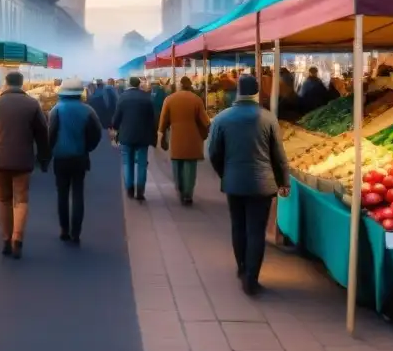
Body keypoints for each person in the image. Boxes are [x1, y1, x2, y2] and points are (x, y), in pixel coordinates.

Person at [208, 75, 289, 296]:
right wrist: (284, 181)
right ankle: (252, 278)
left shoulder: (222, 118)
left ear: (237, 92)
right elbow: (278, 155)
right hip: (262, 184)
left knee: (238, 225)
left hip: (234, 182)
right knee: (256, 230)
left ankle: (242, 267)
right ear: (256, 93)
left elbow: (214, 152)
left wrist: (224, 173)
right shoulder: (268, 118)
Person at [0, 71, 51, 259]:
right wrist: (44, 158)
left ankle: (6, 239)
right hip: (22, 159)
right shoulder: (33, 104)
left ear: (6, 83)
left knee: (3, 200)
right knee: (21, 199)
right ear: (22, 84)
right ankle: (18, 237)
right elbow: (42, 134)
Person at [48, 78, 102, 244]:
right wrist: (87, 148)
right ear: (80, 93)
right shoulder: (88, 111)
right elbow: (97, 133)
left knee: (62, 195)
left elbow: (50, 134)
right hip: (80, 158)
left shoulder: (56, 110)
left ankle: (64, 229)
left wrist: (49, 152)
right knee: (78, 195)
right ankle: (76, 232)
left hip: (61, 159)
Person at [158, 75, 210, 205]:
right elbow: (205, 122)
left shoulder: (169, 99)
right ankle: (188, 193)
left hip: (176, 138)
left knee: (177, 165)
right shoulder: (196, 100)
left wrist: (162, 134)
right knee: (190, 167)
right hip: (193, 139)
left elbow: (163, 121)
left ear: (179, 86)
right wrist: (204, 134)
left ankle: (180, 188)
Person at [111, 76, 156, 201]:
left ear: (129, 84)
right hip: (143, 136)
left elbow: (116, 118)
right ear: (138, 84)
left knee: (127, 163)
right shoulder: (147, 98)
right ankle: (140, 191)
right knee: (142, 163)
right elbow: (152, 119)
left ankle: (130, 189)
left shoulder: (122, 97)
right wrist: (154, 136)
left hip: (126, 136)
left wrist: (114, 127)